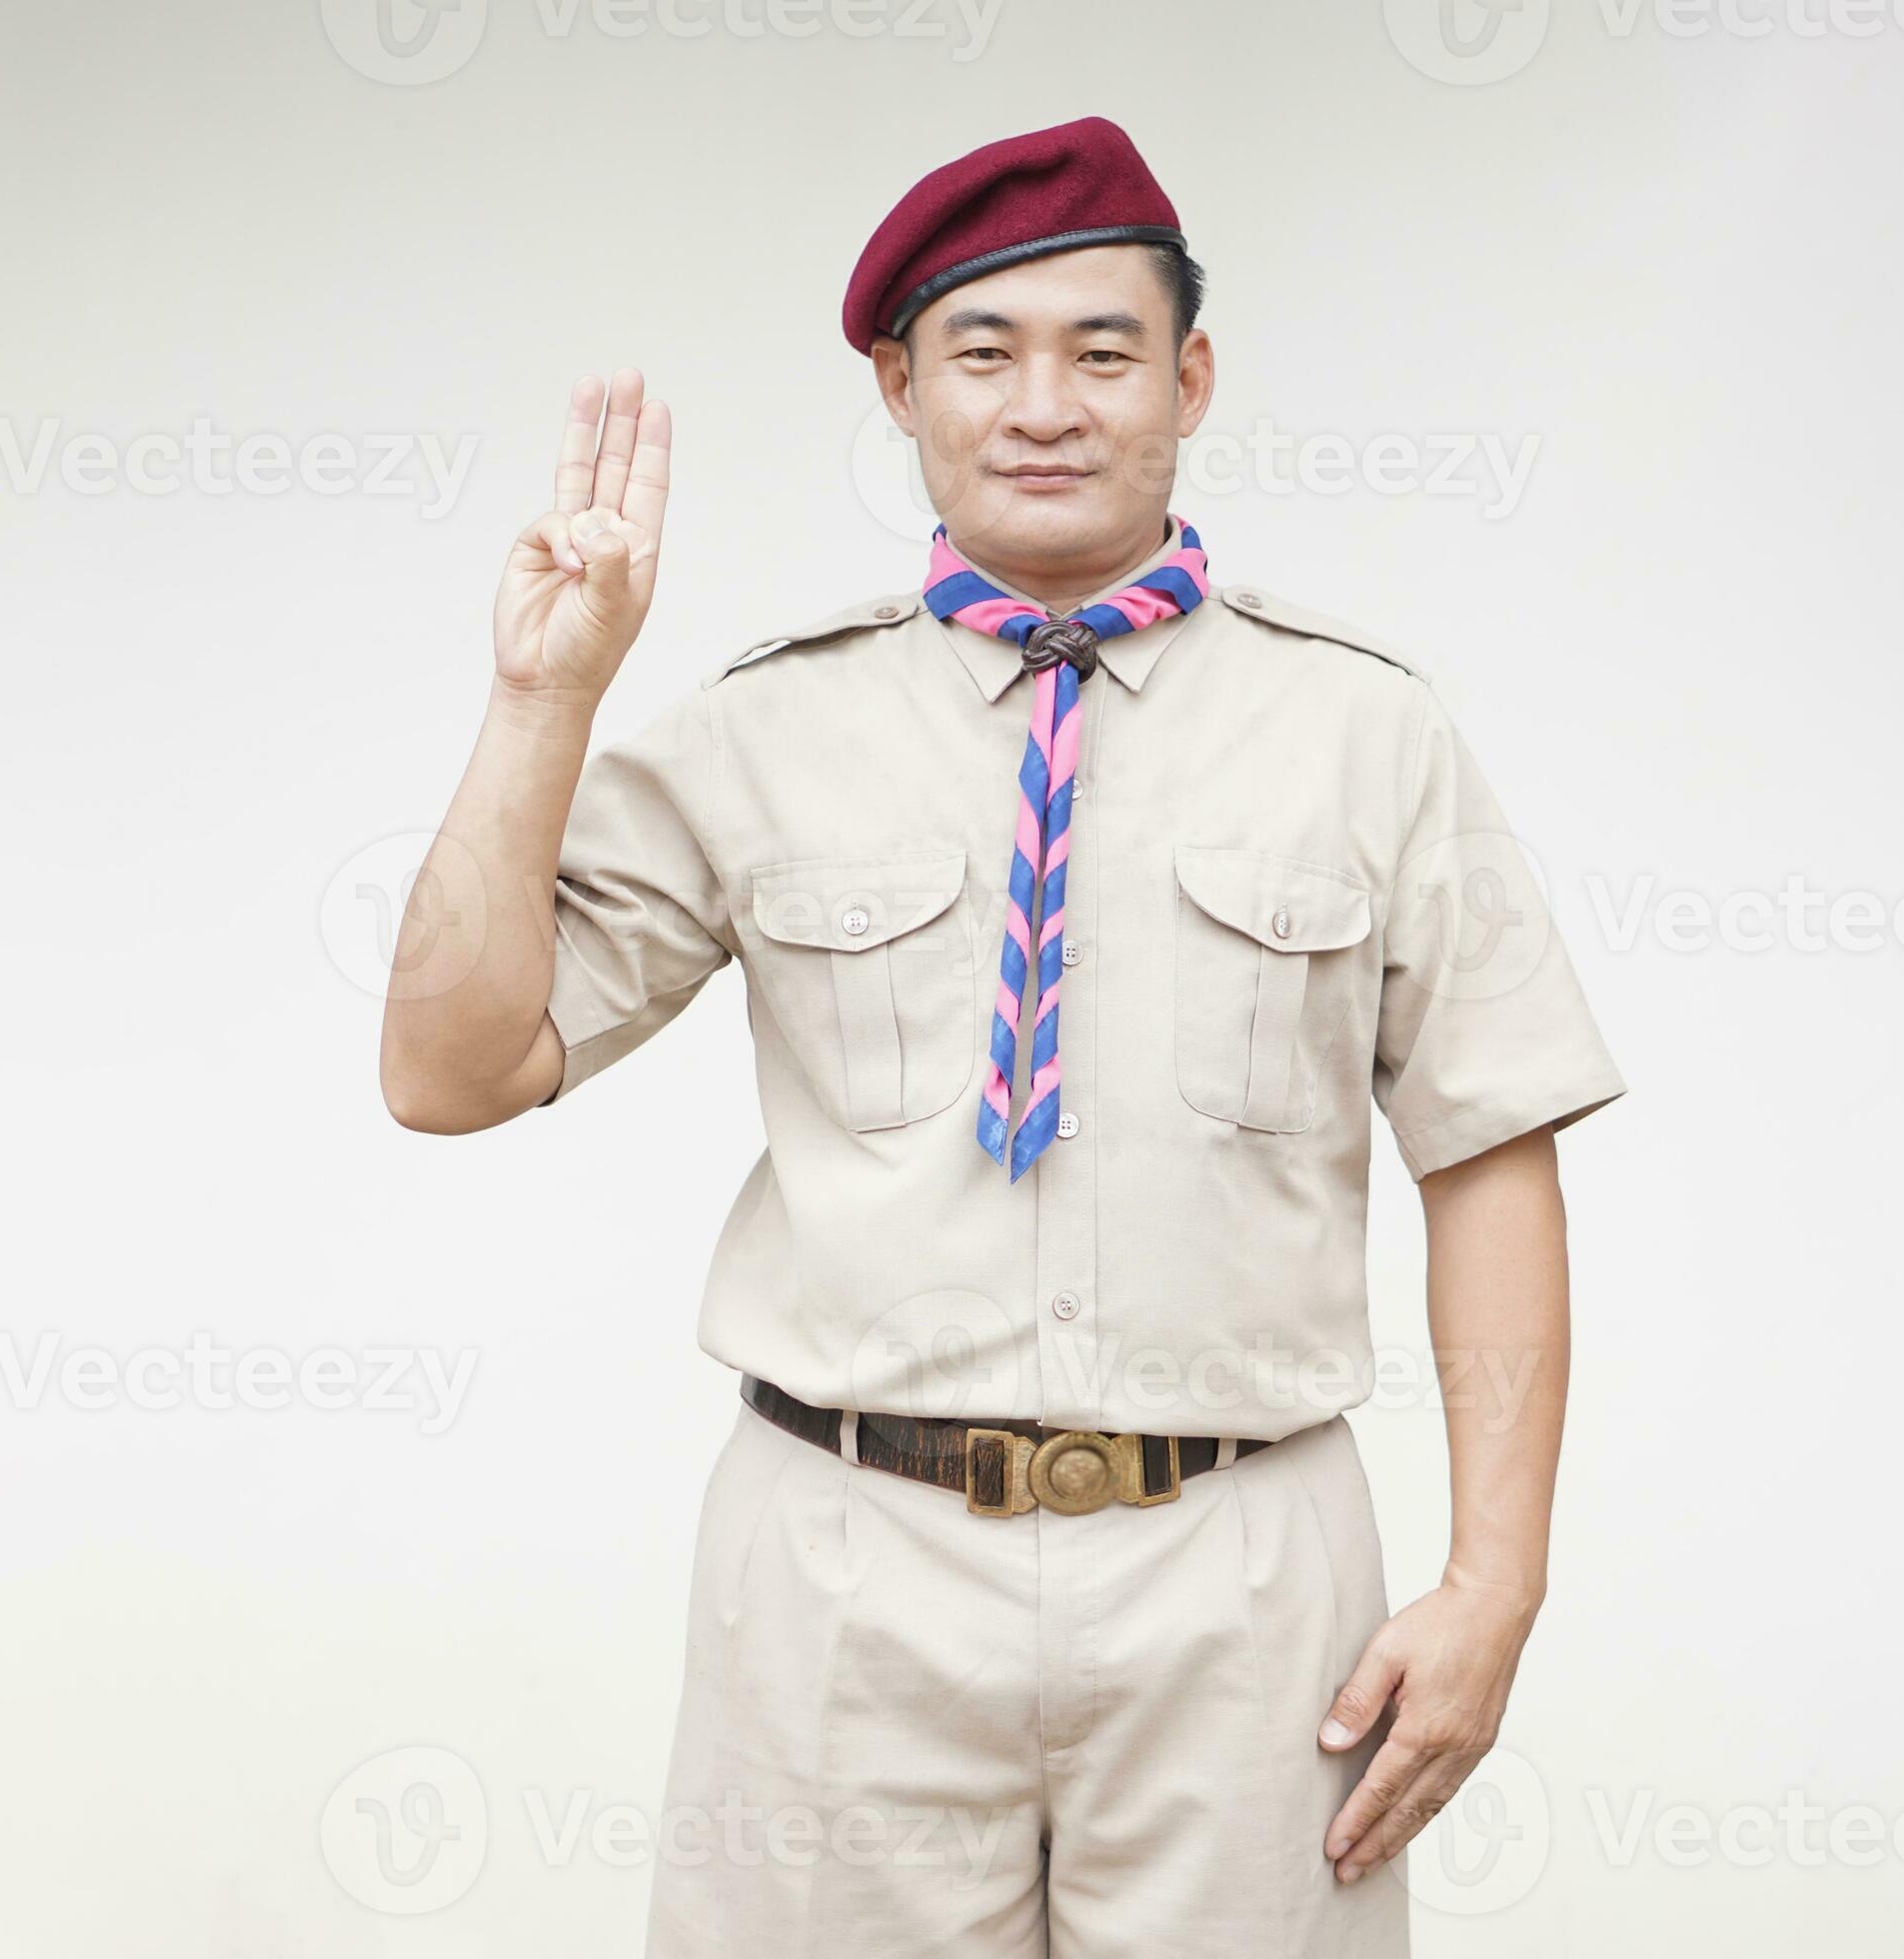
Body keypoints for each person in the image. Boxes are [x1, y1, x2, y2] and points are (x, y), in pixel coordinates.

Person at [379, 115, 1623, 1958]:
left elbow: (1489, 1150)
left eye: (1101, 351)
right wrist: (539, 702)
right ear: (901, 386)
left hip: (1242, 1568)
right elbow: (450, 1072)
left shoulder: (1366, 733)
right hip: (846, 1570)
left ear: (1188, 379)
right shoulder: (761, 730)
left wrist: (1494, 1581)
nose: (1043, 403)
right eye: (983, 352)